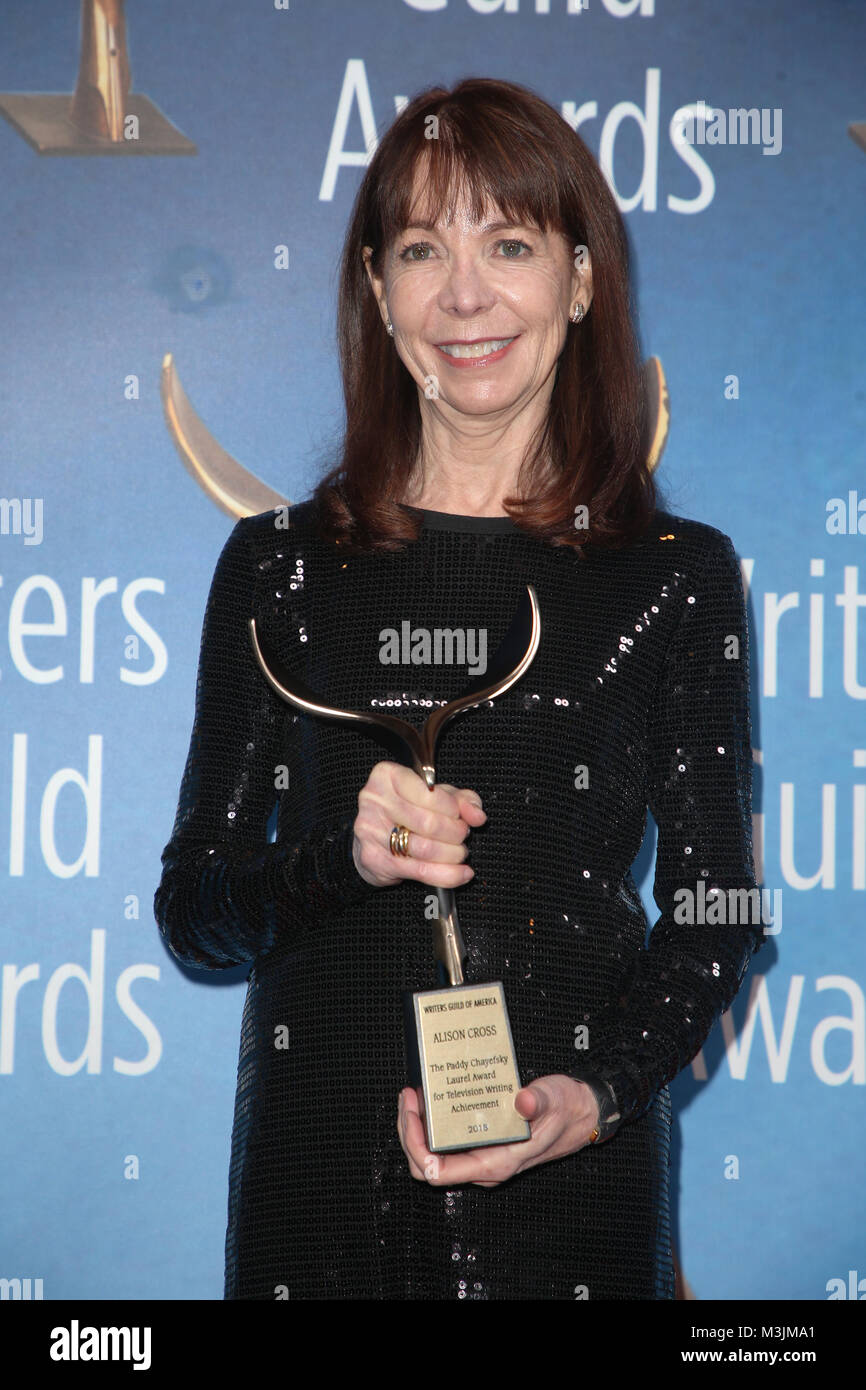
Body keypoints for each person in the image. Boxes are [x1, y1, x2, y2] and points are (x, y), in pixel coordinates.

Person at [153, 76, 764, 1300]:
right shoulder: (276, 566)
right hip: (314, 1198)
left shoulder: (671, 576)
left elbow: (714, 910)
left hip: (568, 1205)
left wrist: (591, 1097)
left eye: (510, 243)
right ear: (377, 293)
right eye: (422, 247)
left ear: (579, 282)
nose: (466, 293)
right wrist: (342, 857)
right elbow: (197, 909)